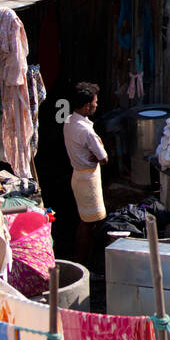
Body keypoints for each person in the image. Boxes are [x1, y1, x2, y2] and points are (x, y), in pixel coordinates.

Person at [62, 81, 108, 265]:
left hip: (78, 176)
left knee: (86, 221)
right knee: (89, 224)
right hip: (88, 180)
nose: (97, 105)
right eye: (95, 102)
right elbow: (104, 158)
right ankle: (81, 263)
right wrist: (98, 152)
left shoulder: (69, 121)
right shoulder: (86, 131)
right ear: (87, 105)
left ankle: (83, 261)